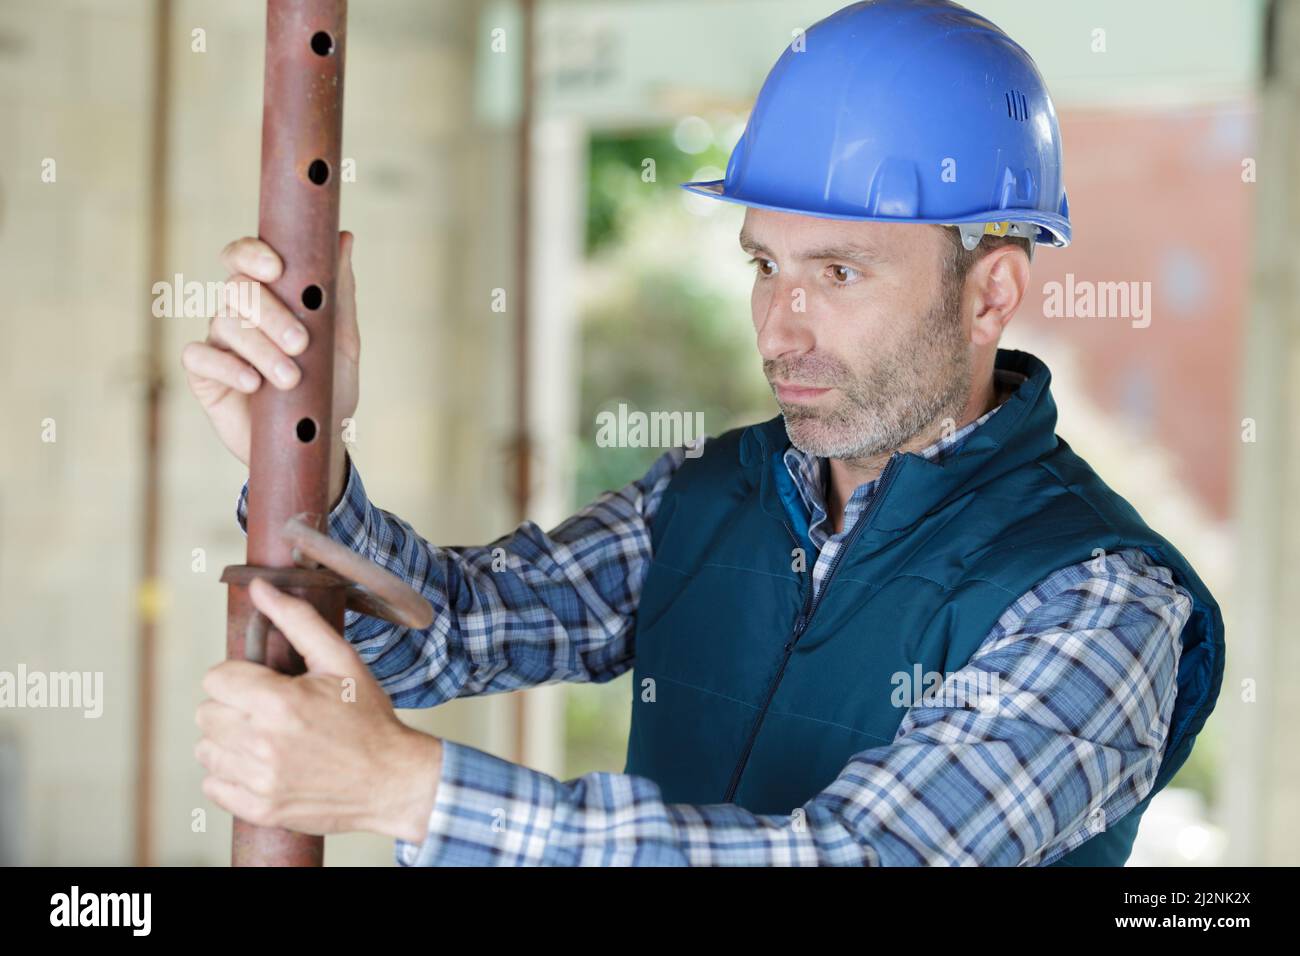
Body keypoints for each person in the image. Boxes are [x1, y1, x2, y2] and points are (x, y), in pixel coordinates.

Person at [183, 0, 1224, 866]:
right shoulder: (711, 493)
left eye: (839, 271)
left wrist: (411, 791)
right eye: (765, 264)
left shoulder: (1096, 596)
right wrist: (304, 445)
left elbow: (857, 859)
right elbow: (445, 632)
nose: (781, 326)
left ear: (989, 289)